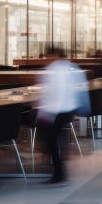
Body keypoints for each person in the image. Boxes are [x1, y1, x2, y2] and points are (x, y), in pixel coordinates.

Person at [37, 46, 90, 183]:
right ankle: (60, 166)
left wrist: (46, 113)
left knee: (51, 141)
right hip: (69, 109)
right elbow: (80, 87)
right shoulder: (71, 67)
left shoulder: (52, 70)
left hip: (56, 111)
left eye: (48, 56)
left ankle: (58, 172)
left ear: (53, 56)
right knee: (59, 138)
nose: (47, 59)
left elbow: (51, 93)